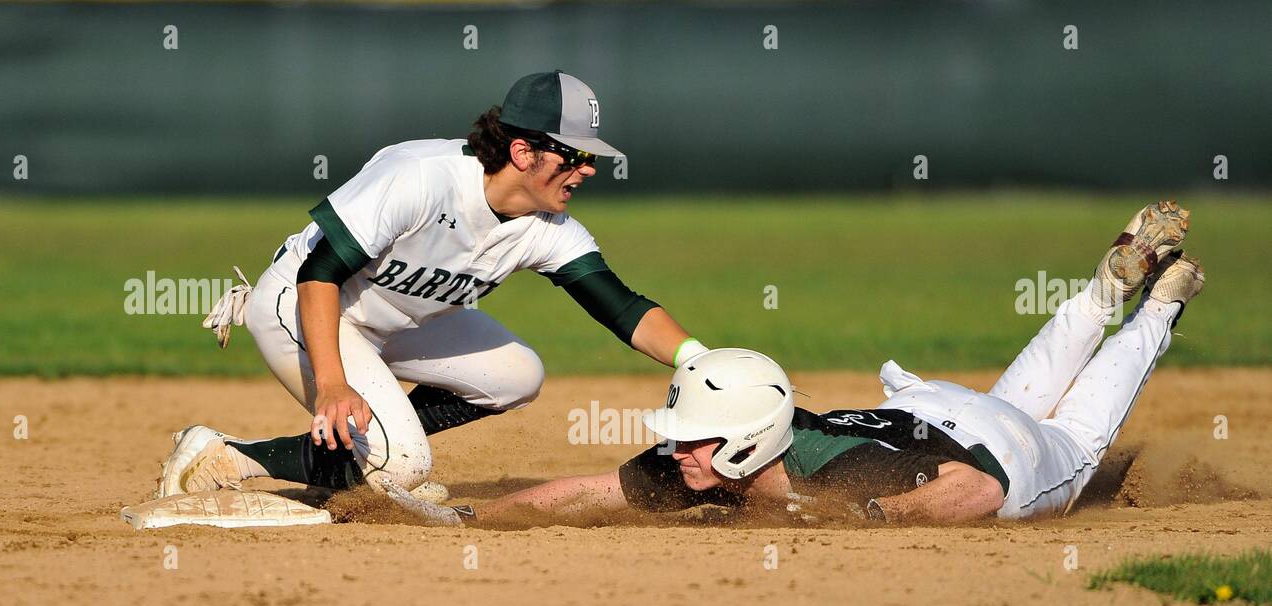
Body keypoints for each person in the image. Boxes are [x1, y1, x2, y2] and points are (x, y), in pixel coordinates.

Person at [156, 70, 707, 517]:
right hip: (305, 307)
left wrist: (701, 361)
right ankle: (227, 454)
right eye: (575, 156)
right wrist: (332, 384)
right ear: (522, 151)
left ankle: (365, 461)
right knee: (403, 469)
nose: (587, 169)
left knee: (519, 376)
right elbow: (319, 273)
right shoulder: (420, 176)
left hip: (396, 322)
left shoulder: (546, 228)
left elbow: (624, 309)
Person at [480, 201, 1203, 525]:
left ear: (744, 441)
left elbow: (980, 490)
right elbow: (586, 492)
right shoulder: (716, 456)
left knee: (1075, 435)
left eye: (696, 433)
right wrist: (478, 517)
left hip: (1001, 451)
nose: (680, 447)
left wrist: (884, 515)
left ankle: (1160, 302)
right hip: (931, 410)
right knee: (1021, 390)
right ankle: (1110, 282)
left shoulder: (841, 473)